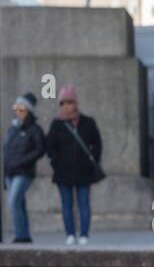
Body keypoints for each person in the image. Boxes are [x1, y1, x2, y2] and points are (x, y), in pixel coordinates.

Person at [45, 85, 103, 245]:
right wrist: (56, 163)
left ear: (75, 103)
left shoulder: (88, 122)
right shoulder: (57, 124)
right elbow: (50, 146)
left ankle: (84, 234)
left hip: (83, 171)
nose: (67, 105)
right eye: (63, 102)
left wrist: (93, 162)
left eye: (69, 102)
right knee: (66, 205)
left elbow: (97, 144)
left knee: (84, 203)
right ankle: (70, 233)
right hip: (63, 172)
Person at [3, 92, 45, 244]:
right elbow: (6, 151)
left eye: (21, 109)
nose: (18, 112)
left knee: (13, 201)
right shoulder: (12, 129)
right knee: (19, 203)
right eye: (16, 108)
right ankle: (25, 234)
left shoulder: (34, 129)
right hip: (9, 172)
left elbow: (40, 150)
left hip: (24, 172)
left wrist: (23, 161)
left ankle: (20, 235)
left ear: (28, 111)